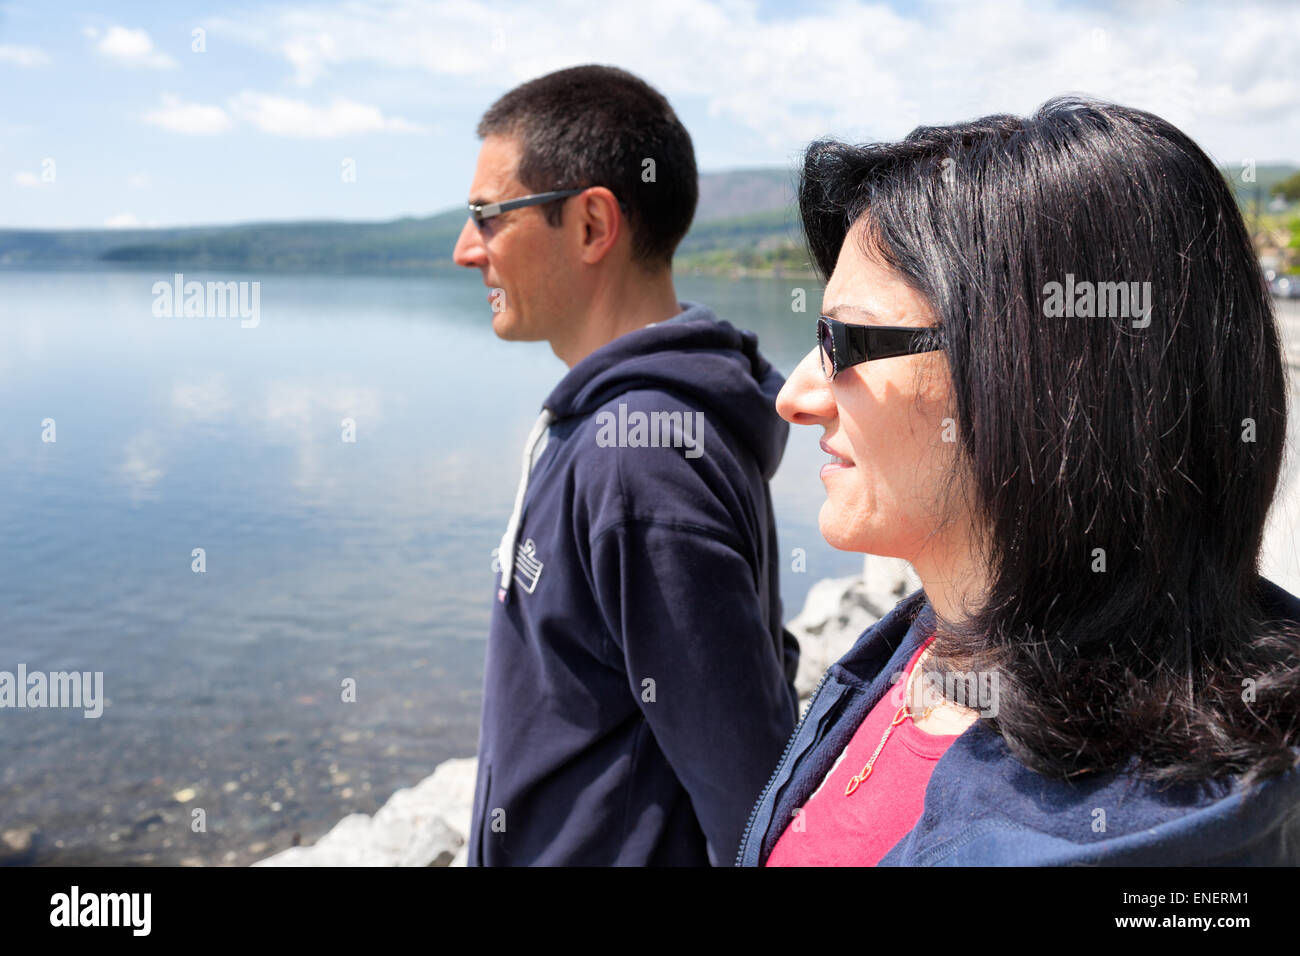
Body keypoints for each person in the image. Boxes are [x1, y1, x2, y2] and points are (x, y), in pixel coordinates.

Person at [738, 96, 1300, 866]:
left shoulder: (1130, 846)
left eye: (841, 340)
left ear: (1047, 380)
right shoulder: (941, 640)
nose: (794, 397)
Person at [452, 65, 800, 865]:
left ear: (590, 226)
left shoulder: (637, 458)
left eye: (486, 216)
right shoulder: (621, 425)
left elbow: (750, 799)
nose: (467, 250)